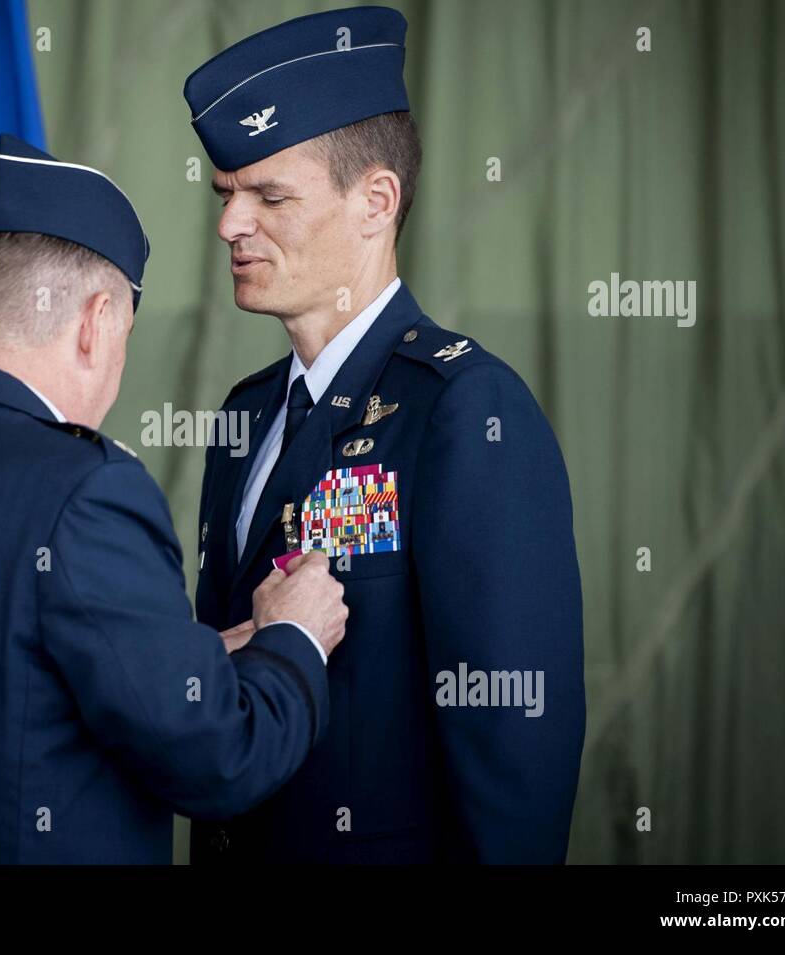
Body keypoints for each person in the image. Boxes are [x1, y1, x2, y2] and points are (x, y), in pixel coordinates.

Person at [0, 134, 347, 863]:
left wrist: (188, 656)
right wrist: (293, 638)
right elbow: (221, 756)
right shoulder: (88, 491)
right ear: (94, 324)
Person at [183, 6, 585, 863]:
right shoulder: (244, 414)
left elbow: (515, 741)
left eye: (269, 195)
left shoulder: (466, 411)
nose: (229, 226)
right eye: (225, 197)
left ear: (376, 202)